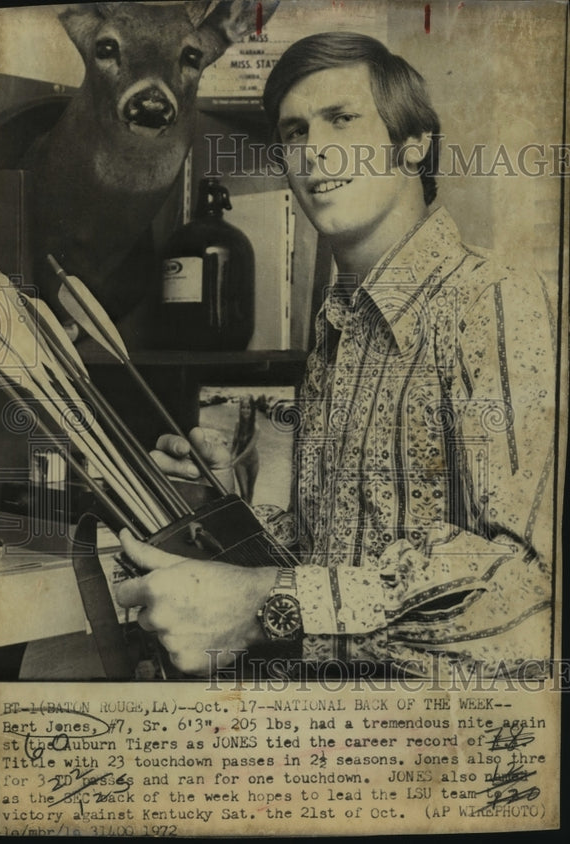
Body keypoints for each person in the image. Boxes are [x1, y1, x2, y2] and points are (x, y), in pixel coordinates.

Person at [116, 32, 555, 679]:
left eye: (341, 119)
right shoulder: (336, 329)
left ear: (414, 142)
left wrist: (266, 604)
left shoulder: (494, 300)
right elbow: (333, 556)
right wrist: (220, 504)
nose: (313, 150)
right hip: (329, 714)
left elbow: (523, 577)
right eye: (293, 132)